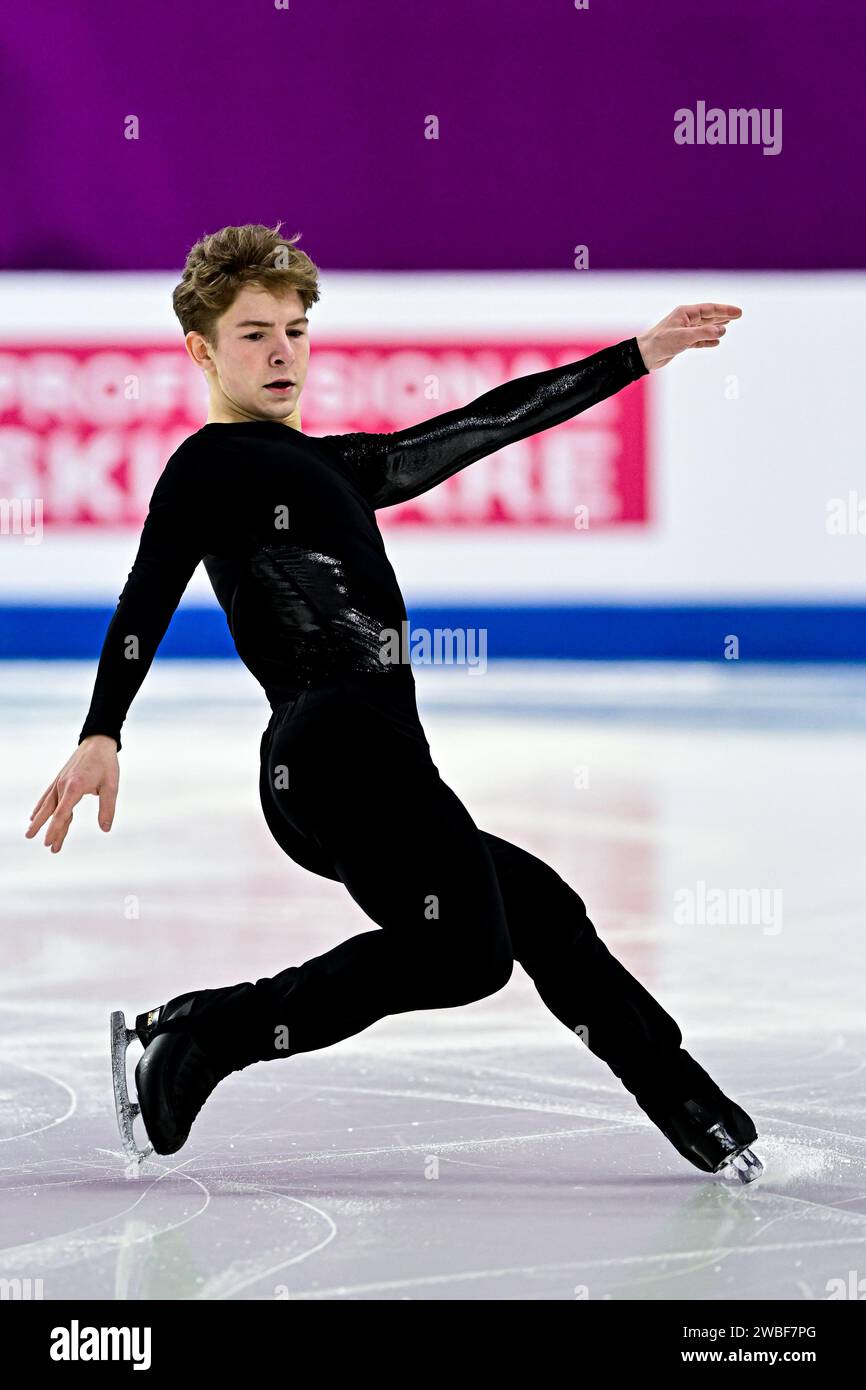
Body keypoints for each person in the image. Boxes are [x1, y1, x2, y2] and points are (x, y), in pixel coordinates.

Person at [25, 223, 760, 1181]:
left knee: (536, 910)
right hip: (329, 751)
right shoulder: (207, 468)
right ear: (202, 351)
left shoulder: (338, 467)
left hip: (380, 758)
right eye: (254, 334)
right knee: (465, 953)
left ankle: (701, 1117)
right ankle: (204, 1038)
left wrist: (638, 355)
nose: (282, 350)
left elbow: (488, 424)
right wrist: (101, 729)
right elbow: (145, 594)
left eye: (294, 329)